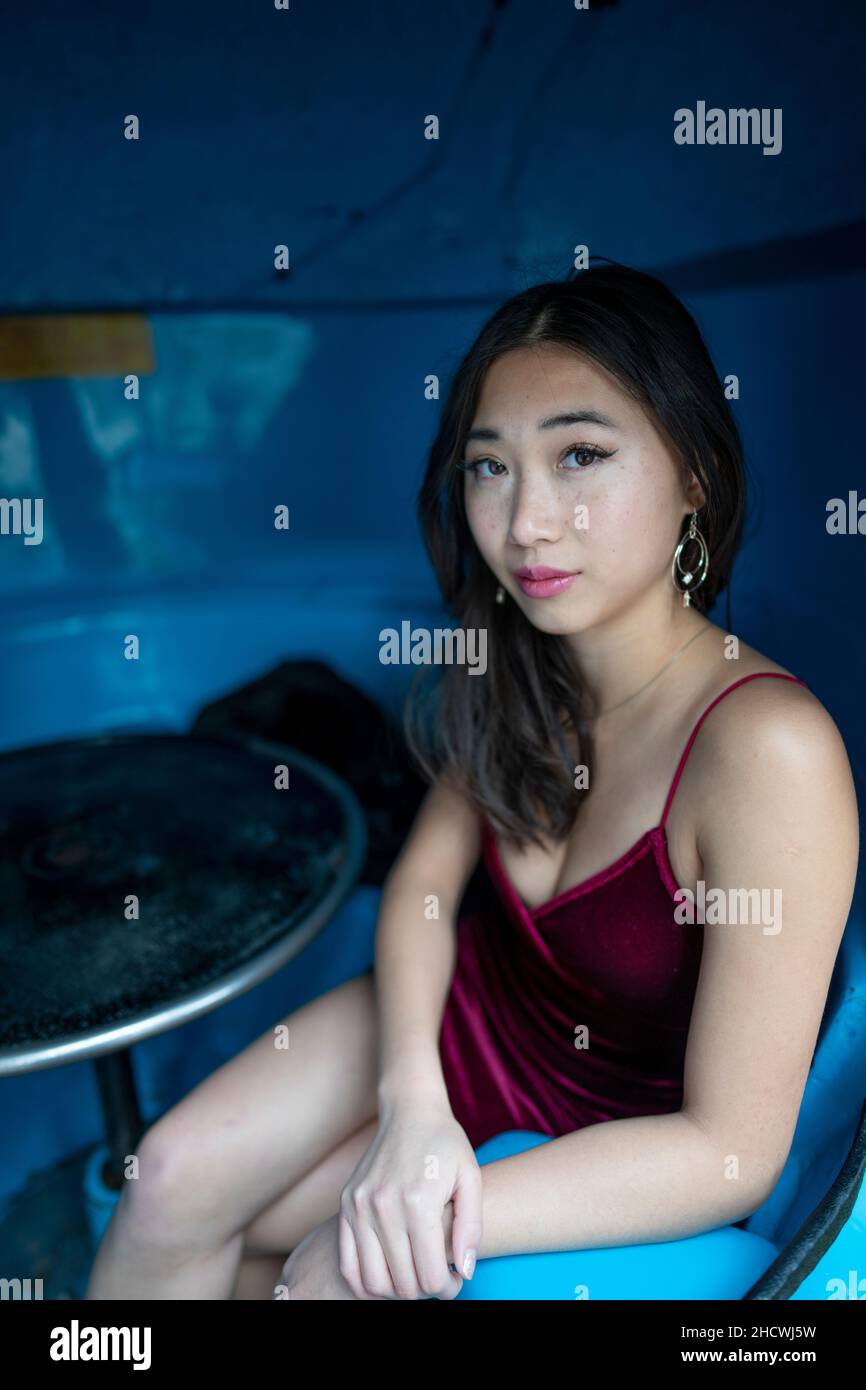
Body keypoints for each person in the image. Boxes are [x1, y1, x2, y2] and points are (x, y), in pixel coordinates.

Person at [86, 261, 859, 1301]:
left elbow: (730, 1147)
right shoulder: (514, 654)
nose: (527, 521)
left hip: (602, 1130)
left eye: (579, 454)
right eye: (489, 467)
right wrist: (412, 1103)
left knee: (312, 1266)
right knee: (170, 1179)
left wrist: (431, 1206)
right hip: (453, 1026)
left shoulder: (768, 747)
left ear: (692, 478)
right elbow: (423, 889)